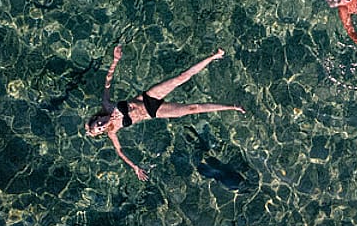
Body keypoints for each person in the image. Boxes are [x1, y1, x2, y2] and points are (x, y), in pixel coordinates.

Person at [85, 45, 244, 181]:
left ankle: (214, 56)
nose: (101, 125)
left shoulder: (107, 105)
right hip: (154, 112)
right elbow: (119, 151)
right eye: (100, 129)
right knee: (192, 108)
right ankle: (232, 106)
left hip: (149, 97)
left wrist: (115, 60)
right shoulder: (112, 131)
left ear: (97, 117)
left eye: (98, 123)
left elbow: (108, 81)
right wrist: (135, 167)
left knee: (181, 77)